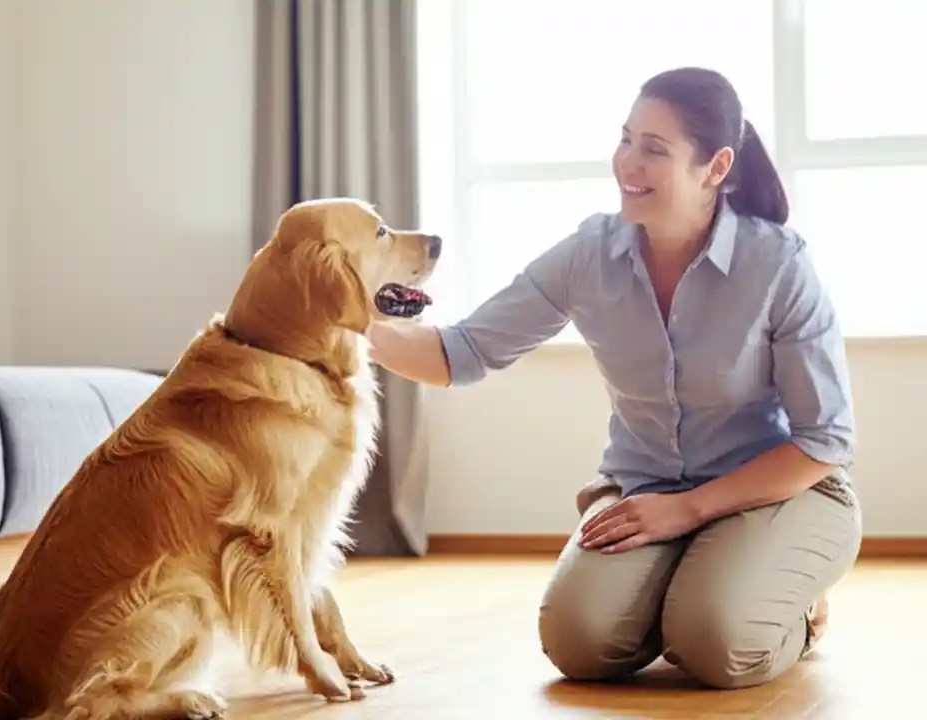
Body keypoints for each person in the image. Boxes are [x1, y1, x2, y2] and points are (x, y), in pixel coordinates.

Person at [367, 66, 862, 690]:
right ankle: (694, 589)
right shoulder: (590, 255)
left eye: (654, 149)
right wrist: (344, 327)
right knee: (579, 643)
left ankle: (799, 609)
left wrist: (689, 510)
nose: (628, 161)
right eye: (626, 139)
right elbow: (460, 352)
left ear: (715, 168)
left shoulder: (777, 264)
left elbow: (825, 440)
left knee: (718, 645)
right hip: (644, 490)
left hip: (775, 492)